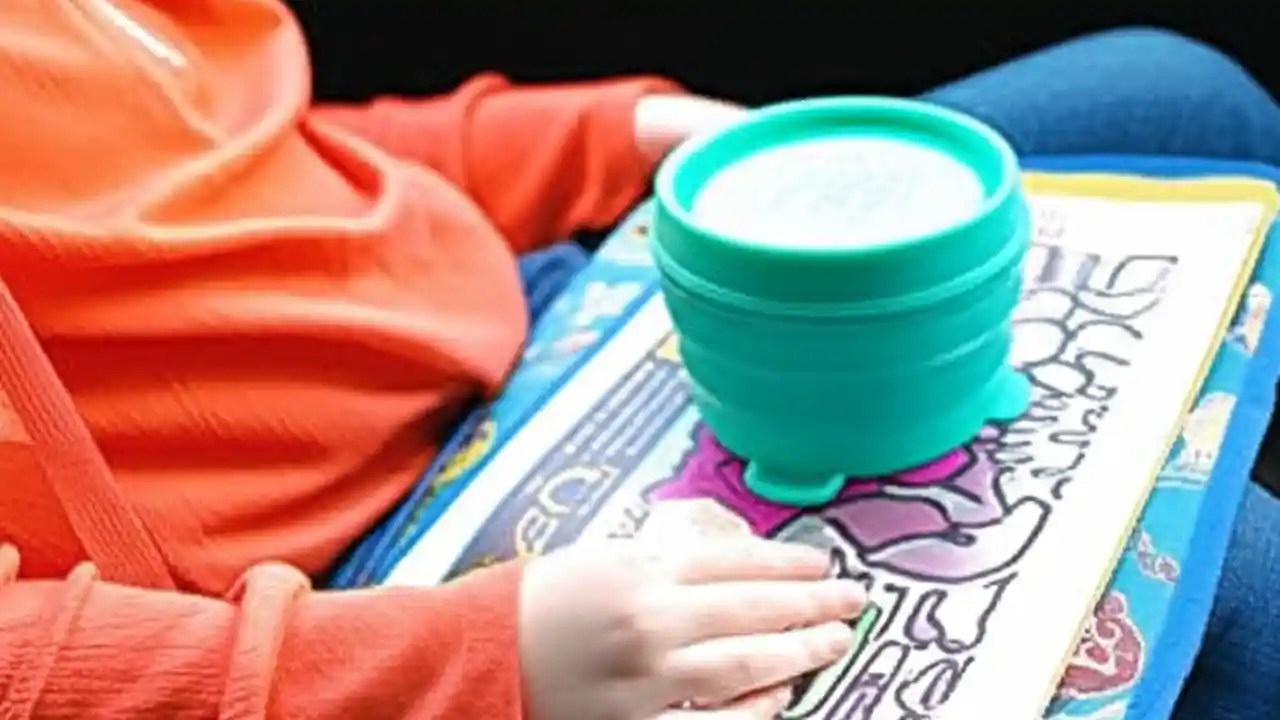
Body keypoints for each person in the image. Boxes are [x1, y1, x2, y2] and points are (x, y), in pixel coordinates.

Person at [0, 3, 1275, 718]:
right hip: (348, 588)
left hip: (530, 309)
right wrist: (485, 656)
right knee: (1237, 583)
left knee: (1174, 95)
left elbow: (235, 151)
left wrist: (604, 139)